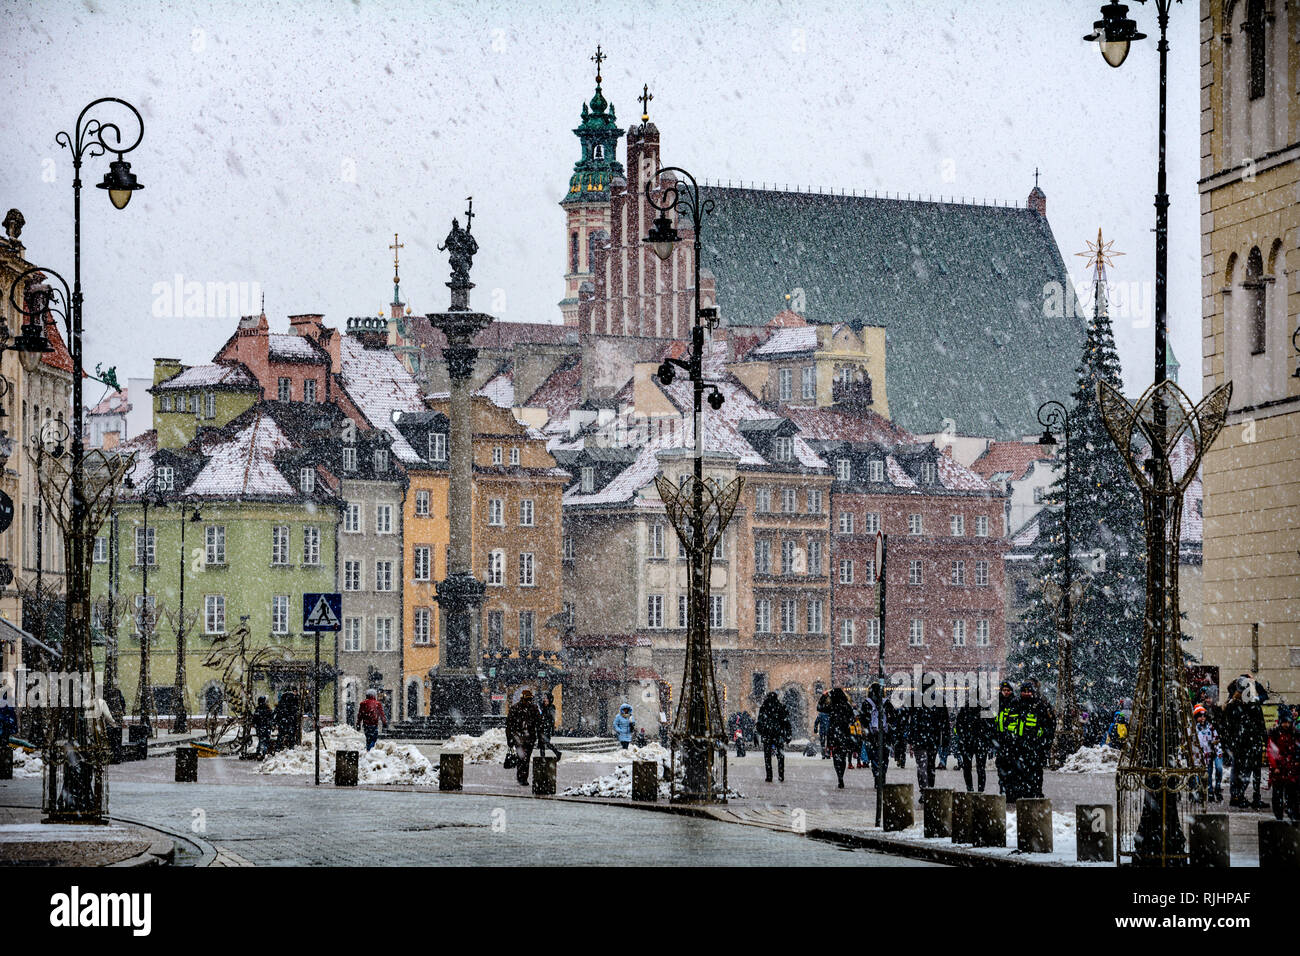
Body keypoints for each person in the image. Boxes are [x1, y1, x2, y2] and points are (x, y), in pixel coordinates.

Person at [1224, 684, 1266, 809]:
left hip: (1248, 743)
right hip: (1244, 744)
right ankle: (1240, 796)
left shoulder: (1246, 705)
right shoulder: (1235, 706)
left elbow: (1260, 723)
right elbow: (1230, 727)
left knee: (1247, 772)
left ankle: (1244, 797)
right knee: (1244, 772)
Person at [1266, 710, 1300, 823]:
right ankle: (1279, 816)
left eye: (1288, 722)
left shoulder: (1295, 734)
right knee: (1278, 795)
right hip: (1279, 769)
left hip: (1291, 768)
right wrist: (1275, 766)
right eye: (1284, 722)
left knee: (1292, 794)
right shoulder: (1275, 734)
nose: (1286, 725)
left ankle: (1293, 815)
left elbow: (1297, 749)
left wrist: (1296, 760)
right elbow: (1271, 751)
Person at [910, 700, 950, 791]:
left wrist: (911, 738)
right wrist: (945, 738)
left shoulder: (916, 698)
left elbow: (912, 720)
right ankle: (929, 790)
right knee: (930, 765)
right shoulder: (938, 699)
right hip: (932, 738)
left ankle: (925, 789)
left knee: (922, 766)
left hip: (920, 738)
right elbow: (945, 721)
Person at [505, 689, 541, 785]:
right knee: (522, 758)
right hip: (518, 739)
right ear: (522, 699)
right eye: (527, 699)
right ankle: (521, 777)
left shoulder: (533, 708)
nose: (529, 701)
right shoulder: (515, 708)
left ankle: (523, 777)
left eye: (530, 699)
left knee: (526, 758)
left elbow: (538, 723)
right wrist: (510, 739)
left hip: (529, 738)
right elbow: (509, 725)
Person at [955, 701, 992, 793]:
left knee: (974, 768)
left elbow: (959, 726)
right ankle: (977, 790)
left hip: (972, 742)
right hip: (974, 742)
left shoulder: (966, 708)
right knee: (977, 768)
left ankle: (973, 789)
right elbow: (990, 726)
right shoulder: (982, 708)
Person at [756, 691, 792, 783]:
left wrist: (761, 731)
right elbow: (786, 722)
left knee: (767, 756)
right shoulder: (780, 707)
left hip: (767, 735)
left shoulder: (764, 707)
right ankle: (781, 775)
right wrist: (788, 735)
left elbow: (760, 722)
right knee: (780, 756)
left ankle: (769, 776)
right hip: (778, 734)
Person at [825, 688, 856, 788]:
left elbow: (819, 707)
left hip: (833, 733)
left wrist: (824, 695)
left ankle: (839, 776)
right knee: (842, 756)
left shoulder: (831, 706)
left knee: (835, 756)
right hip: (844, 733)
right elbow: (852, 720)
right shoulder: (847, 706)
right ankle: (841, 775)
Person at [860, 684, 891, 784]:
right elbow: (894, 716)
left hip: (872, 734)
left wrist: (866, 726)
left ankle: (876, 775)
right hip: (885, 734)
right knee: (884, 756)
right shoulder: (886, 702)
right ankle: (883, 775)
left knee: (874, 756)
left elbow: (863, 718)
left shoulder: (866, 703)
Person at [1194, 704, 1224, 803]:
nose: (1202, 718)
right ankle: (1206, 792)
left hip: (1212, 753)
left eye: (1204, 716)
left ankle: (1215, 789)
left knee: (1215, 771)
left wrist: (1214, 745)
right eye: (1200, 716)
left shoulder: (1210, 727)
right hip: (1202, 755)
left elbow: (1216, 739)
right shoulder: (1194, 729)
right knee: (1204, 774)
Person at [993, 681, 1016, 794]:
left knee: (1011, 766)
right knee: (1001, 766)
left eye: (1008, 690)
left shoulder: (1015, 703)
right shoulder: (996, 703)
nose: (1006, 692)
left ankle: (1010, 789)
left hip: (1011, 741)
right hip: (1000, 740)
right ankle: (1003, 788)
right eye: (1004, 690)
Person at [537, 692, 562, 761]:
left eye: (546, 698)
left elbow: (552, 718)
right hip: (541, 727)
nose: (544, 699)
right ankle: (543, 758)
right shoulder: (541, 706)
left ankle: (557, 753)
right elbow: (539, 714)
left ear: (549, 699)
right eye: (544, 698)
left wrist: (551, 728)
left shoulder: (551, 707)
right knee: (542, 744)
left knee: (546, 743)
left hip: (547, 727)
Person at [815, 692, 831, 759]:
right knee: (828, 741)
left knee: (823, 742)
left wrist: (815, 728)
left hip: (822, 729)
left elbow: (816, 721)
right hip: (828, 729)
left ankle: (823, 754)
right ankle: (827, 753)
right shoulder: (830, 714)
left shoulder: (821, 713)